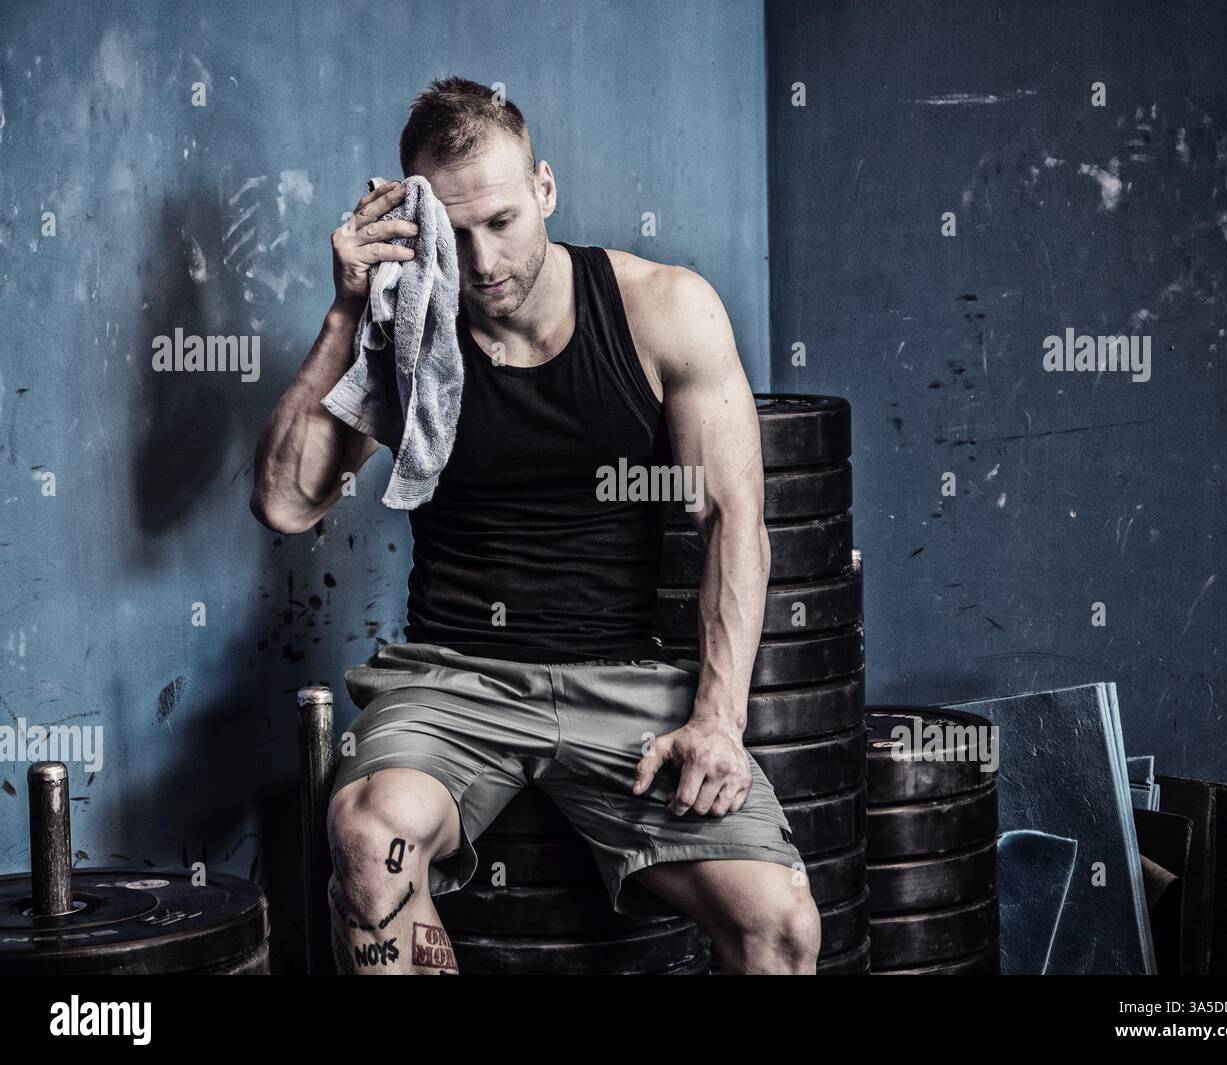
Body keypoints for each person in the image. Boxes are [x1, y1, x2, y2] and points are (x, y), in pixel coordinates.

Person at [250, 76, 819, 975]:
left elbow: (733, 520)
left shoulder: (662, 309)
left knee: (781, 924)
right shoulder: (408, 332)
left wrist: (717, 717)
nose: (481, 263)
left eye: (504, 221)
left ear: (545, 189)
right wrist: (348, 308)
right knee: (368, 843)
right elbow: (286, 501)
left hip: (621, 684)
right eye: (456, 232)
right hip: (452, 681)